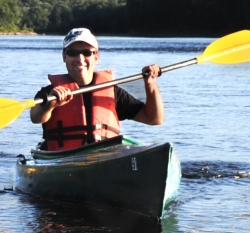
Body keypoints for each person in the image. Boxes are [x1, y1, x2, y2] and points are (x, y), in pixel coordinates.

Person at [29, 28, 163, 151]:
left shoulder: (113, 92)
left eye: (87, 53)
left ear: (96, 58)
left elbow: (154, 118)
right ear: (64, 56)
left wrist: (151, 85)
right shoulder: (50, 92)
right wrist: (50, 105)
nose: (80, 59)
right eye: (72, 53)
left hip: (103, 158)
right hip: (61, 159)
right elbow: (36, 117)